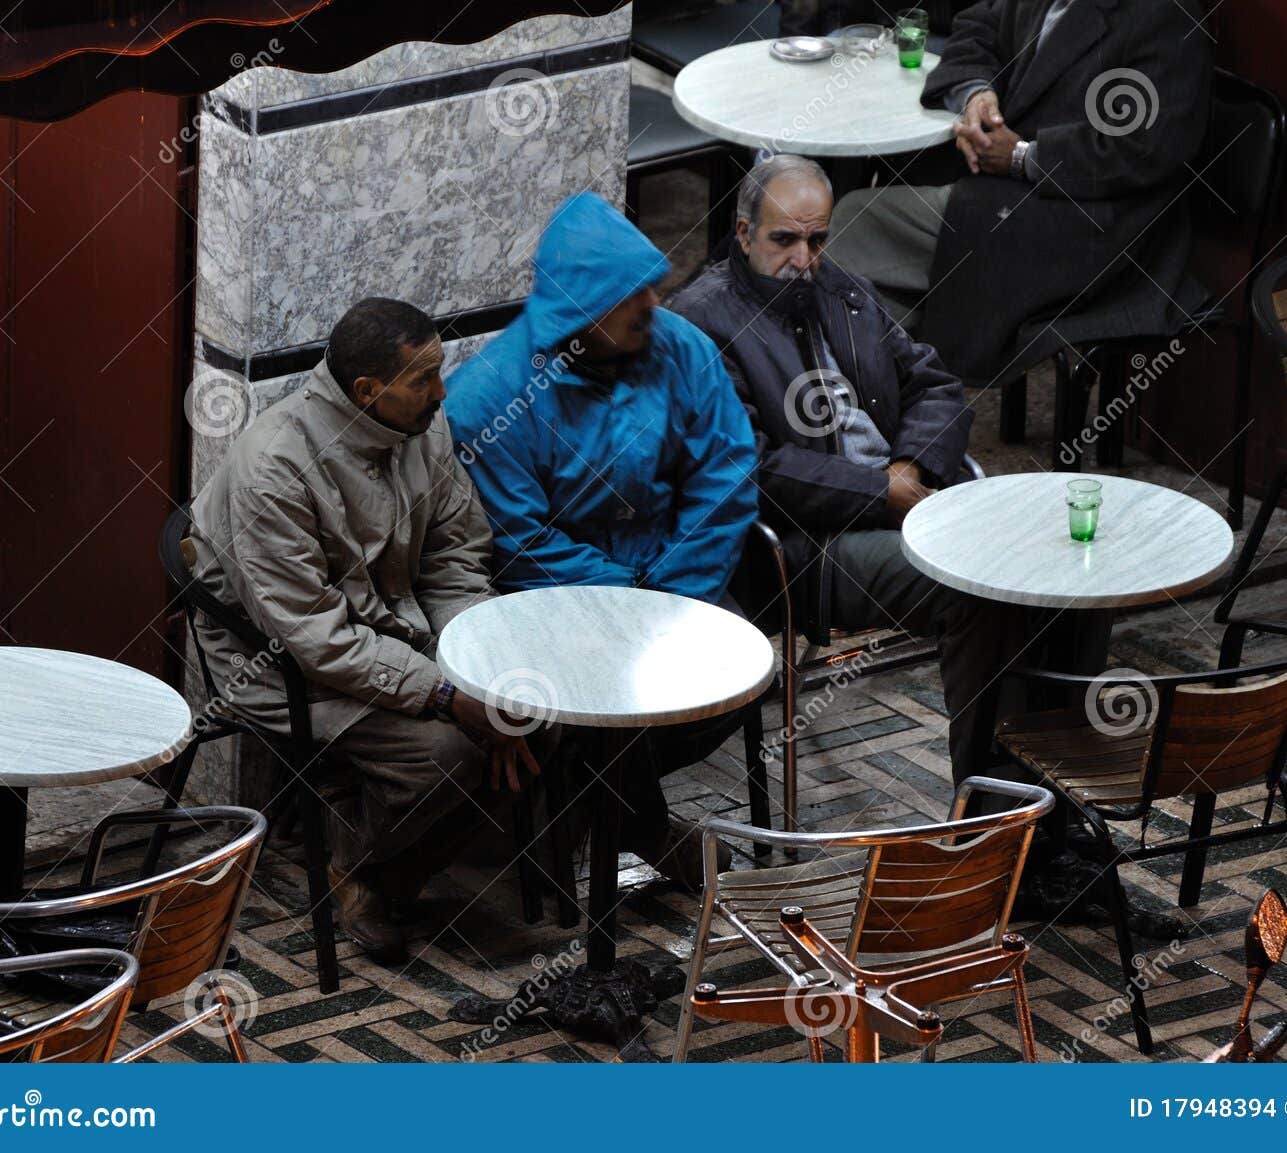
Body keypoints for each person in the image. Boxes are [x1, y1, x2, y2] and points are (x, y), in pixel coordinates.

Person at [189, 298, 542, 962]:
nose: (444, 392)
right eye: (425, 380)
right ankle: (363, 877)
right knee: (451, 752)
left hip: (391, 634)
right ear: (366, 391)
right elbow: (316, 640)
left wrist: (475, 662)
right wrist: (445, 695)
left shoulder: (422, 428)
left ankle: (443, 873)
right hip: (285, 668)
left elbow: (454, 553)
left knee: (530, 705)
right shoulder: (277, 466)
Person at [671, 154, 1042, 782]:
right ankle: (991, 806)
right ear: (742, 233)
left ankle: (1046, 798)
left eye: (816, 239)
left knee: (1046, 571)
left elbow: (935, 384)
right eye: (784, 239)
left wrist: (909, 466)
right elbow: (756, 471)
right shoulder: (700, 323)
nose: (804, 258)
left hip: (907, 498)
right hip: (802, 547)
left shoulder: (842, 290)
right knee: (980, 592)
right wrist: (883, 493)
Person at [445, 191, 758, 886]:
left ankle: (597, 807)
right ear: (581, 314)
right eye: (629, 297)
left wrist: (674, 591)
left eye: (650, 286)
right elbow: (519, 540)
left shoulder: (679, 347)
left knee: (734, 679)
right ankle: (641, 826)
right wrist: (622, 601)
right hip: (555, 598)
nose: (651, 303)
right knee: (601, 697)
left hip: (676, 574)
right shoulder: (488, 398)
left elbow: (727, 477)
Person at [830, 0, 1213, 384]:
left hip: (1095, 222)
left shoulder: (1168, 14)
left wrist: (1023, 157)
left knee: (854, 222)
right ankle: (874, 394)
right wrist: (976, 95)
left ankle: (861, 392)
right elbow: (978, 25)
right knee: (898, 178)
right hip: (1011, 184)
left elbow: (1147, 148)